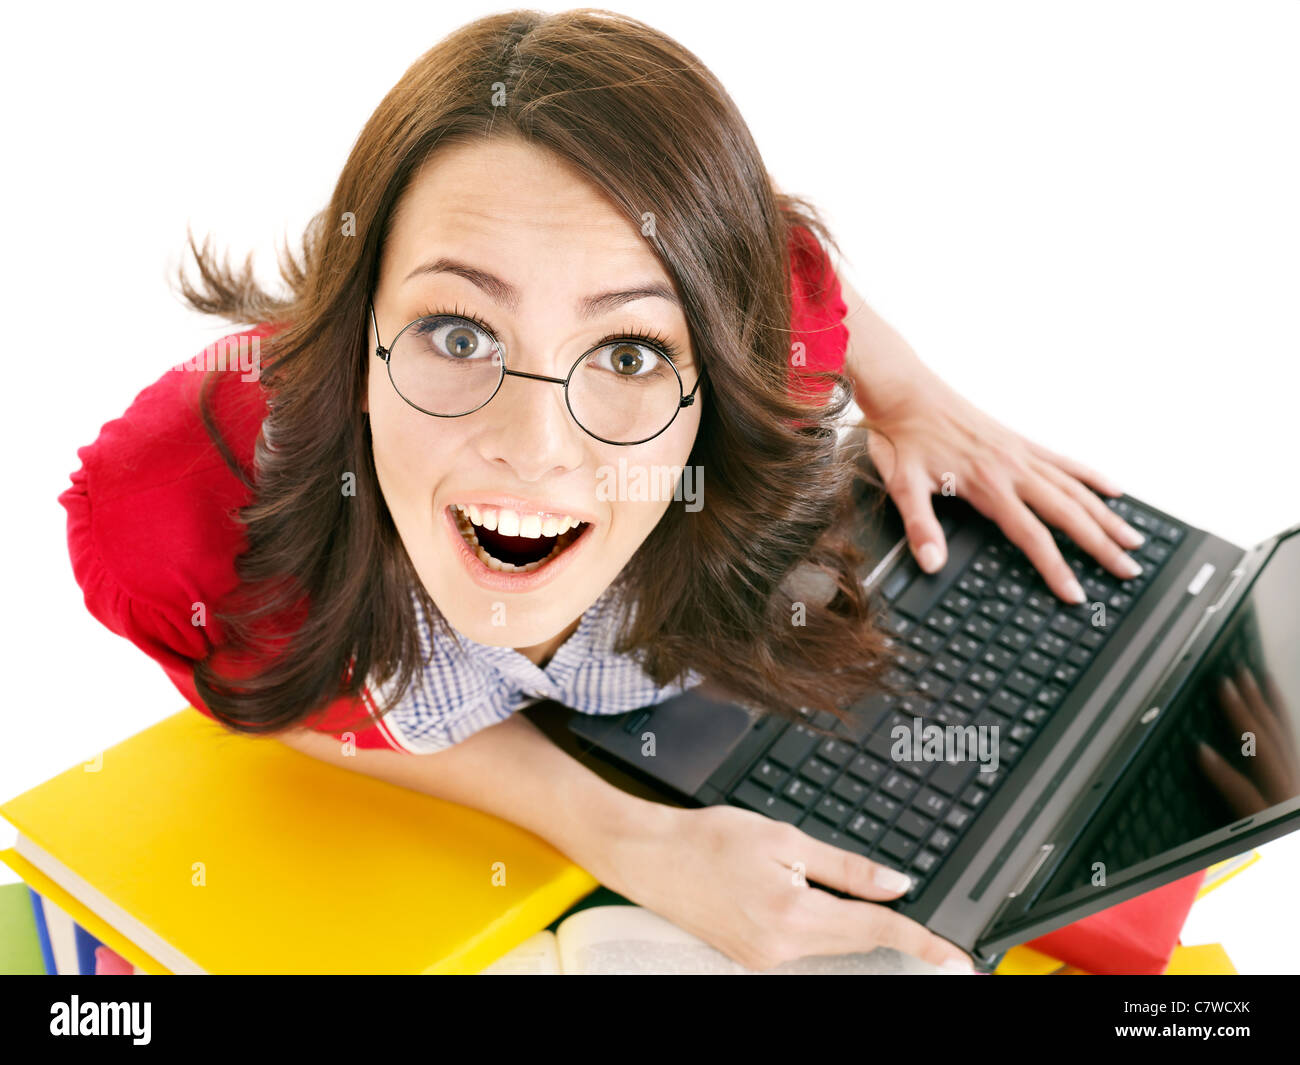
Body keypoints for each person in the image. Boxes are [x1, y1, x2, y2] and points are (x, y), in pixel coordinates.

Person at [59, 9, 1146, 974]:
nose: (534, 451)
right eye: (456, 333)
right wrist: (625, 835)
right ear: (351, 345)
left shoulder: (776, 347)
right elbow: (270, 682)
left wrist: (913, 395)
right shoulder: (183, 518)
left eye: (627, 352)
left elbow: (776, 252)